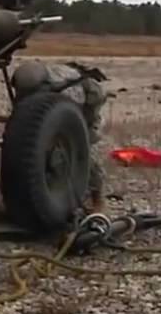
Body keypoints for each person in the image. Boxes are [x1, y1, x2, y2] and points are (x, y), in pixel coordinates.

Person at [11, 60, 109, 214]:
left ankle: (97, 198)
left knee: (84, 147)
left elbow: (68, 119)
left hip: (87, 102)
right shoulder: (28, 84)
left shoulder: (66, 92)